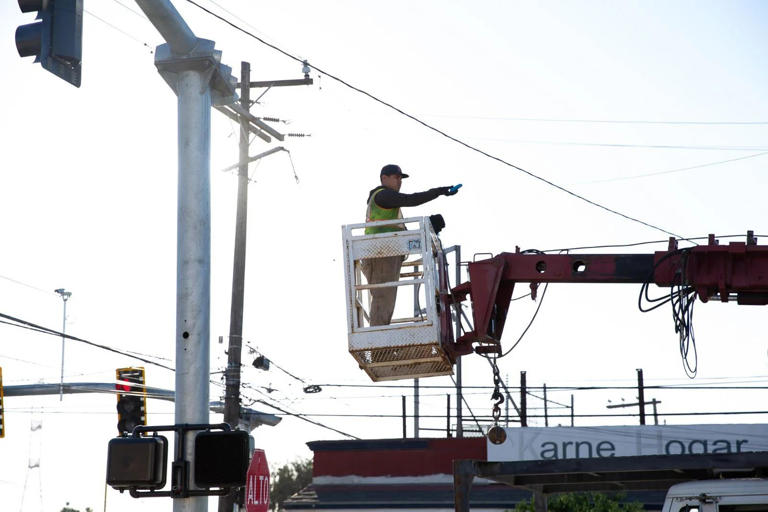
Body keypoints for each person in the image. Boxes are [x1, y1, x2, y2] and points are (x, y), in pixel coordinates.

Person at [362, 164, 459, 326]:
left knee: (386, 299)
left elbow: (396, 227)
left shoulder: (388, 202)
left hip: (384, 253)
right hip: (379, 253)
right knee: (383, 299)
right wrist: (439, 191)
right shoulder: (383, 196)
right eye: (396, 177)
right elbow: (411, 200)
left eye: (401, 178)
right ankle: (379, 340)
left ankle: (381, 338)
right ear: (384, 178)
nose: (399, 181)